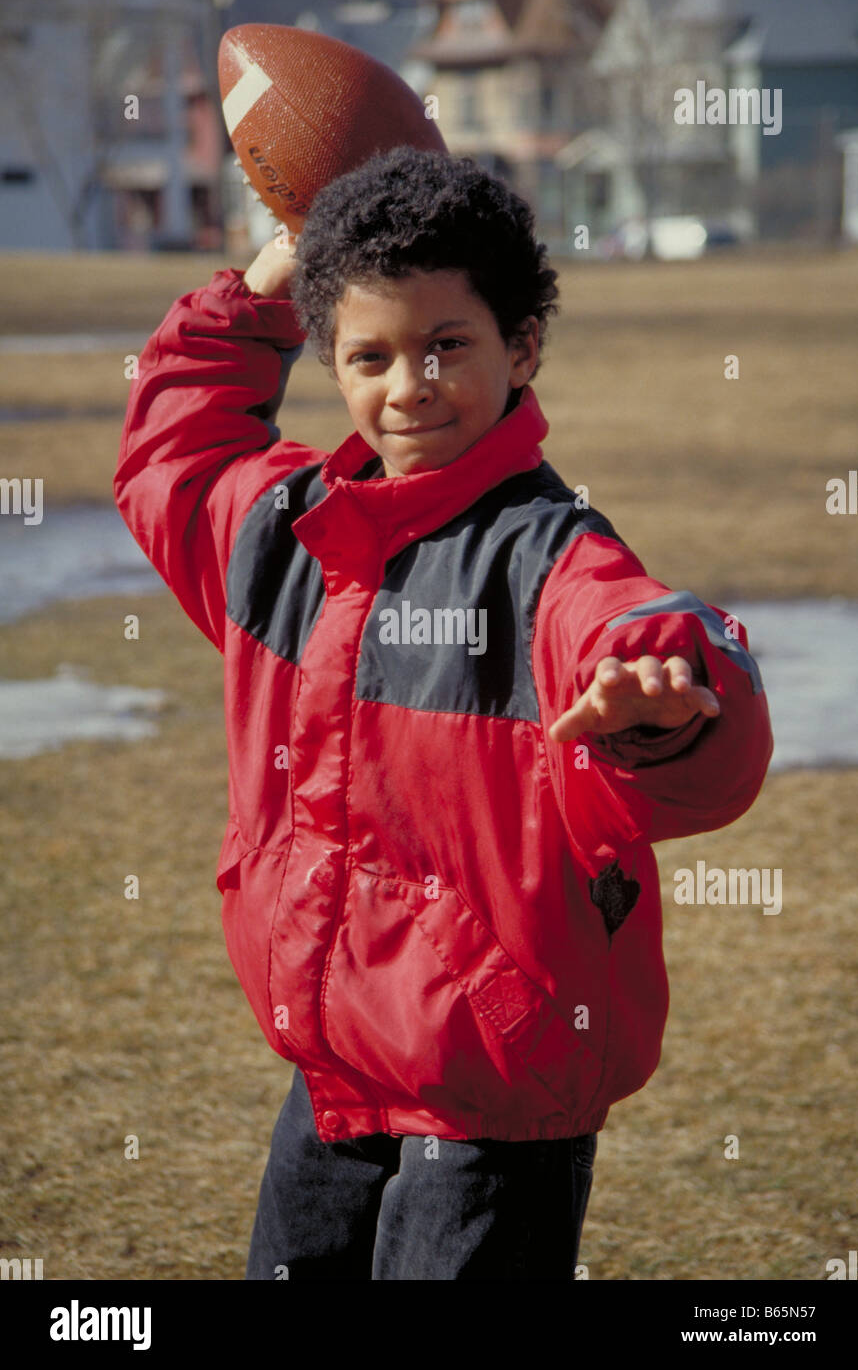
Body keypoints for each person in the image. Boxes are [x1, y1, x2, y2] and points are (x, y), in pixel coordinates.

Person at [115, 146, 773, 1280]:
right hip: (333, 1072)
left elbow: (640, 630)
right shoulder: (283, 531)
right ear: (329, 359)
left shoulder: (551, 554)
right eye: (369, 355)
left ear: (520, 348)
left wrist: (654, 706)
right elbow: (175, 450)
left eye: (446, 346)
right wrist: (267, 278)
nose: (408, 383)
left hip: (492, 1103)